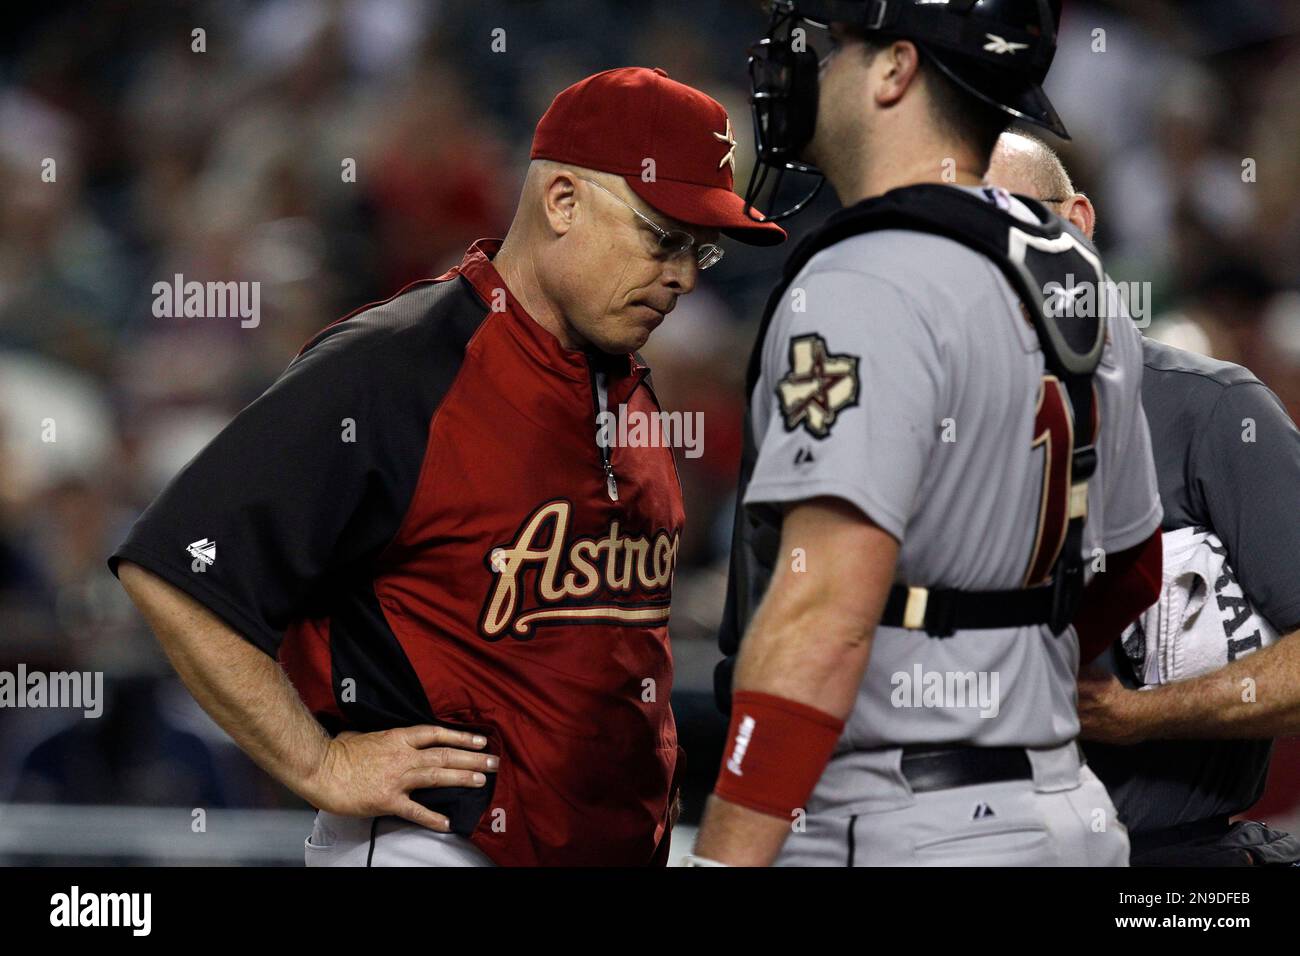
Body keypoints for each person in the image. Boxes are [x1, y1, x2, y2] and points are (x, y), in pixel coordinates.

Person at [108, 67, 784, 867]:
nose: (684, 275)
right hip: (435, 848)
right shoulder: (399, 365)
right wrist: (318, 762)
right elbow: (177, 567)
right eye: (662, 236)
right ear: (562, 201)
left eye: (700, 248)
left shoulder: (624, 377)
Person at [692, 0, 1163, 867]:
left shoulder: (862, 279)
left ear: (895, 69)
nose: (813, 65)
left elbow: (822, 618)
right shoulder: (1077, 276)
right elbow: (1133, 570)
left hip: (896, 820)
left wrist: (724, 857)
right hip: (1068, 810)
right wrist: (1002, 656)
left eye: (837, 47)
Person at [987, 130, 1300, 866]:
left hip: (1171, 862)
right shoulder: (924, 429)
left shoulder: (1214, 410)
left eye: (1006, 224)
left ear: (1078, 224)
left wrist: (1139, 716)